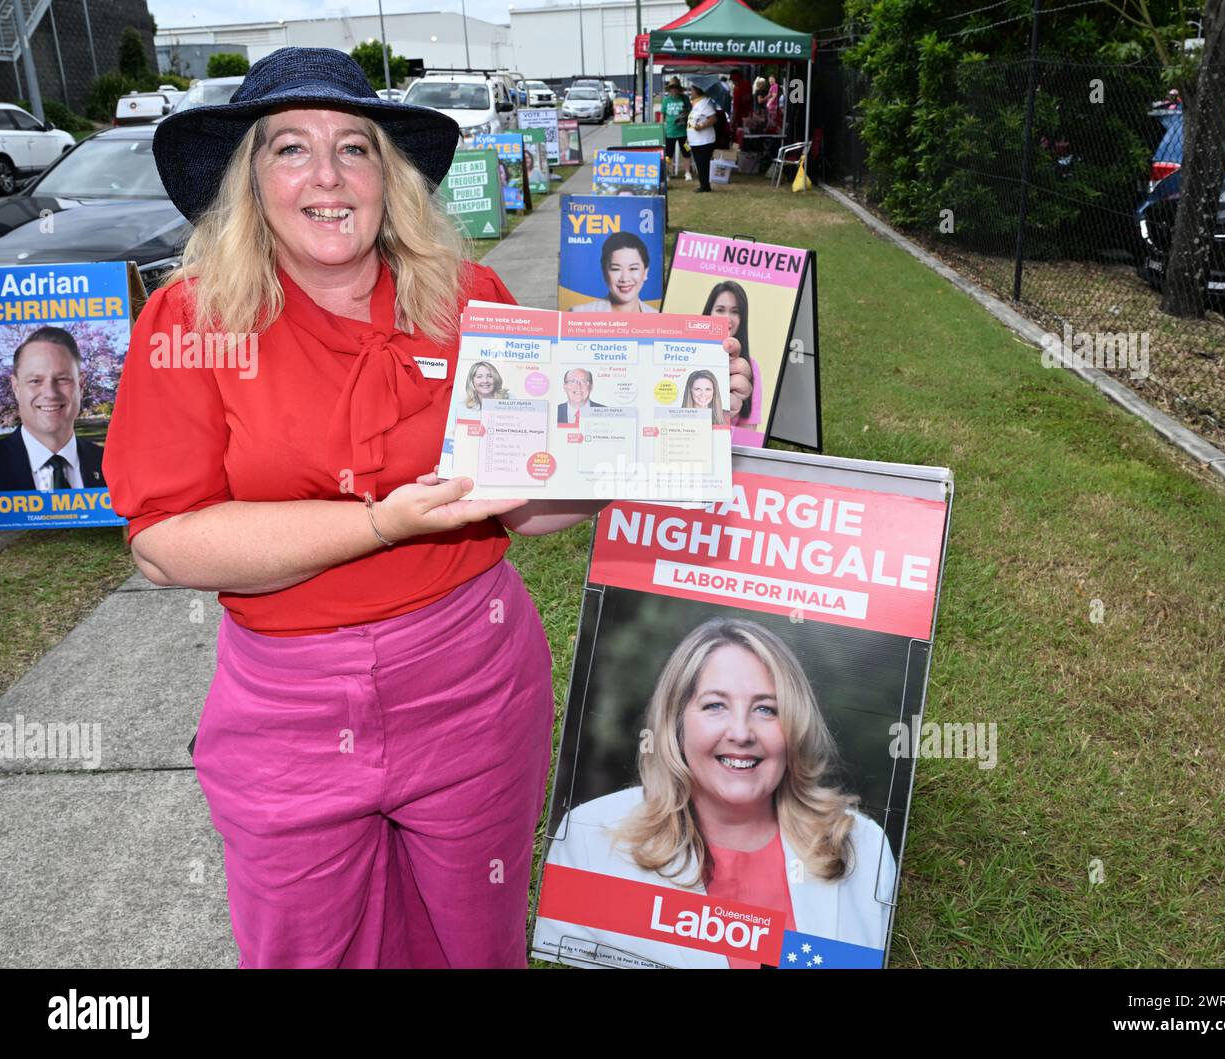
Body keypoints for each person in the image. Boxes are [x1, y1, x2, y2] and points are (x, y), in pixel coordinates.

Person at [102, 46, 754, 970]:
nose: (326, 176)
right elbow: (167, 545)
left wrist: (668, 427)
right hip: (289, 709)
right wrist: (379, 524)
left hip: (474, 683)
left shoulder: (468, 300)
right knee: (304, 949)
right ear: (250, 182)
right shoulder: (189, 321)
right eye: (289, 148)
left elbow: (523, 507)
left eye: (354, 148)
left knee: (473, 941)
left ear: (389, 176)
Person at [533, 618, 897, 969]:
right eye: (715, 706)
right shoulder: (590, 836)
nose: (741, 732)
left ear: (794, 727)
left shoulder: (862, 846)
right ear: (677, 723)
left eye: (766, 709)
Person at [0, 327, 106, 491]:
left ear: (81, 385)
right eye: (35, 380)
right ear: (16, 388)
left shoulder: (111, 464)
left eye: (62, 379)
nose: (50, 393)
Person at [702, 281, 760, 429]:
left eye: (735, 311)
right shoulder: (685, 354)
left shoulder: (750, 367)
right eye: (720, 310)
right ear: (709, 312)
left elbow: (749, 432)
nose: (727, 317)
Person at [572, 231, 658, 313]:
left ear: (646, 272)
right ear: (604, 272)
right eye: (616, 269)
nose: (625, 279)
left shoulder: (658, 316)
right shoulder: (578, 313)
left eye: (633, 268)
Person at [685, 83, 719, 193]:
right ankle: (703, 184)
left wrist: (701, 126)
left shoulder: (705, 103)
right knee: (699, 163)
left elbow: (713, 118)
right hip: (695, 140)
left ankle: (705, 186)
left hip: (703, 140)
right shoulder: (697, 103)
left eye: (692, 90)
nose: (691, 92)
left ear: (697, 91)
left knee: (702, 163)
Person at [661, 80, 689, 178]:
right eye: (672, 88)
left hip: (683, 132)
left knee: (687, 151)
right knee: (668, 154)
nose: (674, 90)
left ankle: (687, 173)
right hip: (670, 132)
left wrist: (684, 116)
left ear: (679, 89)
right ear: (669, 89)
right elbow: (662, 115)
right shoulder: (666, 100)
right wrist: (661, 128)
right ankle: (668, 173)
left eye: (676, 88)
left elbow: (690, 113)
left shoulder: (685, 98)